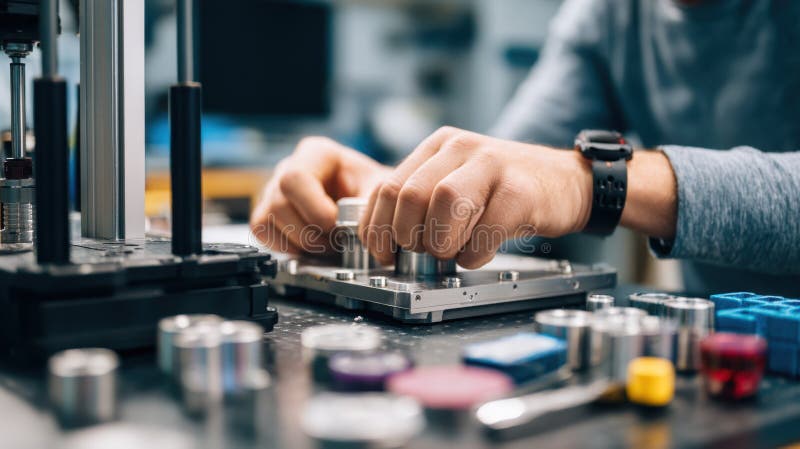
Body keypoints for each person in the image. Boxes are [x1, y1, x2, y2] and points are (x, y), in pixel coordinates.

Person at [250, 0, 800, 296]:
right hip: (731, 357)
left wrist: (591, 182)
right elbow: (510, 176)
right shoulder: (605, 14)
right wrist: (391, 199)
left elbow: (563, 178)